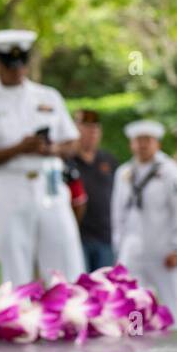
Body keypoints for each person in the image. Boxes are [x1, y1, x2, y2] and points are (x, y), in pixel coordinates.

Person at [0, 29, 86, 283]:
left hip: (49, 183)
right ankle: (20, 320)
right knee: (17, 266)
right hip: (10, 187)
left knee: (65, 261)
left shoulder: (48, 96)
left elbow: (72, 142)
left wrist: (50, 150)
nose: (17, 70)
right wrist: (19, 148)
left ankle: (69, 316)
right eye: (9, 65)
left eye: (22, 64)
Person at [112, 120, 177, 327]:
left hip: (164, 249)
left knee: (172, 299)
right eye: (138, 140)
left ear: (157, 144)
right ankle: (136, 339)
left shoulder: (170, 171)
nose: (142, 145)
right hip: (133, 250)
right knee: (133, 299)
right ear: (131, 145)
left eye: (147, 140)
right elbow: (117, 214)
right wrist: (119, 248)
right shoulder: (124, 173)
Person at [67, 109, 119, 271]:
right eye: (87, 128)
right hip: (77, 237)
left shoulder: (108, 160)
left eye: (96, 128)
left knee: (104, 289)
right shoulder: (67, 161)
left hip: (105, 236)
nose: (92, 132)